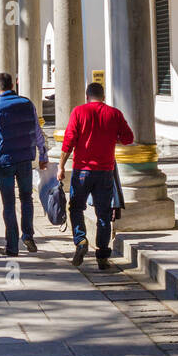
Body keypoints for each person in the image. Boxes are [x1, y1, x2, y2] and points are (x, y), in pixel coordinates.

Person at [57, 81, 134, 270]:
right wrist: (111, 137)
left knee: (76, 208)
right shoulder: (114, 114)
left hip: (82, 171)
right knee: (104, 214)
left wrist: (60, 166)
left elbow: (69, 142)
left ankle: (81, 240)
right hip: (105, 172)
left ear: (86, 96)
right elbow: (129, 138)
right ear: (104, 97)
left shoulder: (79, 112)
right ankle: (102, 256)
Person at [0, 70, 47, 257]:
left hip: (5, 161)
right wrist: (42, 154)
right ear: (13, 85)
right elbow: (37, 131)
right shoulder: (27, 104)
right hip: (25, 159)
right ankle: (28, 235)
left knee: (9, 203)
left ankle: (12, 245)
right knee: (26, 198)